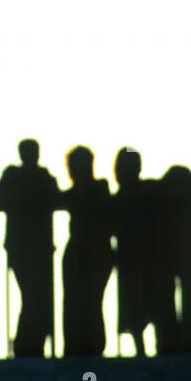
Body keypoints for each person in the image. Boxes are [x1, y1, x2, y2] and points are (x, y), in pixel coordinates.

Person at [0, 139, 60, 357]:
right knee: (34, 297)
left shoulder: (40, 178)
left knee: (35, 298)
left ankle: (29, 344)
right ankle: (27, 345)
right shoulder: (26, 177)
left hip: (32, 248)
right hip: (28, 248)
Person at [111, 147, 177, 356]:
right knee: (152, 305)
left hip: (139, 259)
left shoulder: (125, 197)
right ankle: (159, 349)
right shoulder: (150, 191)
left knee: (140, 306)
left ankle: (147, 350)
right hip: (147, 259)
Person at [61, 145, 114, 355]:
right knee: (83, 303)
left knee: (87, 303)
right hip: (90, 253)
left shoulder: (97, 189)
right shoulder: (97, 189)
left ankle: (87, 347)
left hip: (92, 253)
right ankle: (83, 347)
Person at [157, 165, 191, 352]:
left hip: (173, 249)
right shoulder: (190, 198)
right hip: (181, 249)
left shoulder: (164, 198)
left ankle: (172, 343)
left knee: (179, 296)